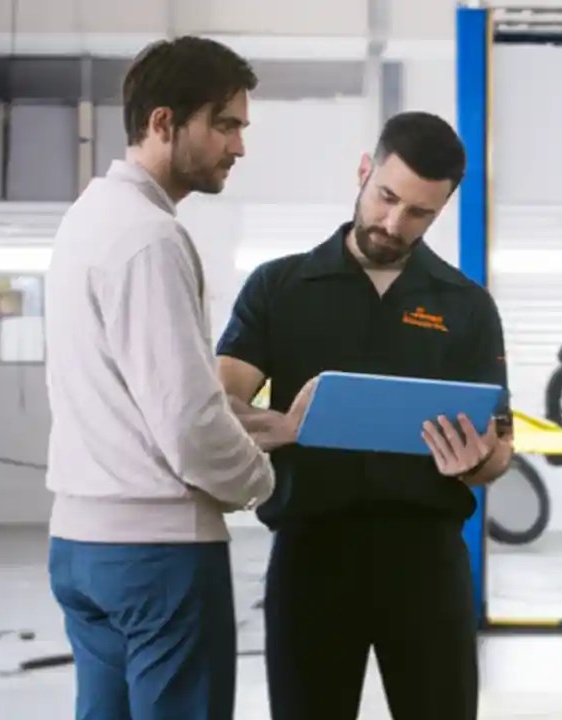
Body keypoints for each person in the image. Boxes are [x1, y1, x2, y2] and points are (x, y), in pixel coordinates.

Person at [42, 36, 315, 720]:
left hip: (81, 546)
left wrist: (264, 426)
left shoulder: (86, 219)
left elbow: (137, 397)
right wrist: (262, 479)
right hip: (156, 555)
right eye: (225, 125)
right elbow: (189, 428)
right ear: (164, 124)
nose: (239, 147)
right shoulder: (150, 238)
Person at [216, 110, 514, 720]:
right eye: (386, 197)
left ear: (443, 208)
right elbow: (219, 404)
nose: (394, 223)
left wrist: (478, 460)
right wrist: (282, 428)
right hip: (312, 554)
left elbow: (500, 447)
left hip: (426, 560)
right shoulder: (279, 287)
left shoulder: (467, 306)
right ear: (363, 172)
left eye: (419, 213)